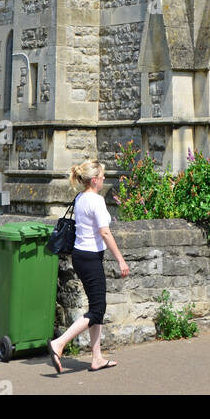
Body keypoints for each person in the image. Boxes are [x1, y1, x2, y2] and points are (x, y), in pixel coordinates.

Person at [48, 158, 129, 373]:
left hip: (80, 255)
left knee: (96, 306)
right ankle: (59, 343)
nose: (103, 180)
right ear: (94, 180)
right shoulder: (96, 200)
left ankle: (97, 358)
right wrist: (121, 259)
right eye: (102, 177)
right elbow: (105, 232)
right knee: (97, 310)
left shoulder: (80, 197)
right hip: (91, 258)